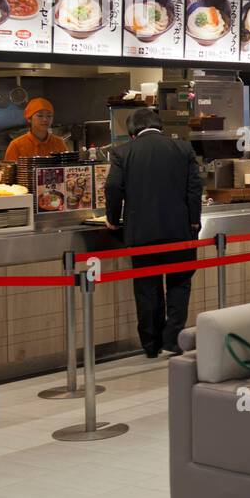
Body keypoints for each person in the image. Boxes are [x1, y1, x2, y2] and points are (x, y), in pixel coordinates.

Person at [104, 108, 202, 358]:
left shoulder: (122, 152)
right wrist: (193, 222)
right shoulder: (183, 149)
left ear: (133, 132)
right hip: (179, 230)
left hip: (141, 232)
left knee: (147, 287)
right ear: (160, 127)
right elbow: (194, 188)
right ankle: (173, 338)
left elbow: (113, 187)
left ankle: (151, 344)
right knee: (179, 284)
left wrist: (113, 219)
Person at [4, 98, 68, 161]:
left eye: (49, 116)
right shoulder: (16, 145)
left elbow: (66, 168)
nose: (45, 119)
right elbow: (10, 170)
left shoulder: (59, 143)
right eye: (40, 116)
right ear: (29, 119)